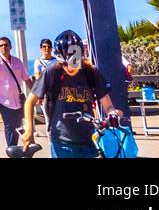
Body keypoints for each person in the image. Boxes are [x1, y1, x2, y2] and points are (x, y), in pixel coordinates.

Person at [21, 29, 123, 158]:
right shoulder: (51, 72)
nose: (70, 68)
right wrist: (29, 130)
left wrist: (112, 113)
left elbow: (108, 105)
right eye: (64, 63)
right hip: (61, 142)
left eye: (74, 63)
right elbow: (30, 101)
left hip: (89, 140)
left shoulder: (91, 72)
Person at [0, 35, 32, 148]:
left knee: (17, 124)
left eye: (6, 45)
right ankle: (11, 148)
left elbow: (27, 79)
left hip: (18, 100)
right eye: (1, 45)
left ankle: (14, 148)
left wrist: (37, 94)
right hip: (3, 100)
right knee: (9, 125)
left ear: (11, 46)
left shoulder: (17, 61)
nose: (4, 47)